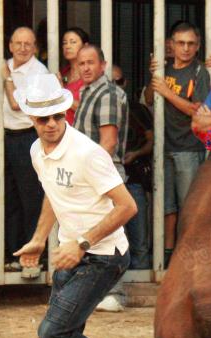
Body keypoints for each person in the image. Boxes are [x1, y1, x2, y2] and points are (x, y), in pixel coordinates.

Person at [12, 73, 141, 338]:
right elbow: (54, 196)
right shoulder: (36, 152)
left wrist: (81, 243)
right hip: (70, 250)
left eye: (58, 115)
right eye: (44, 118)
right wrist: (40, 238)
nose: (53, 123)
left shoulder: (88, 153)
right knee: (65, 332)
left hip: (103, 255)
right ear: (32, 119)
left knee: (53, 332)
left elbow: (128, 206)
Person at [145, 22, 211, 267]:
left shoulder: (199, 72)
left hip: (188, 147)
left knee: (188, 205)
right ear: (171, 45)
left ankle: (190, 257)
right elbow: (149, 98)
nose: (185, 48)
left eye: (191, 44)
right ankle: (168, 256)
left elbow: (197, 110)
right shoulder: (163, 70)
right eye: (181, 43)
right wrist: (155, 78)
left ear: (198, 46)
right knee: (166, 206)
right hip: (163, 146)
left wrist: (167, 91)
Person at [71, 44, 131, 313]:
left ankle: (116, 294)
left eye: (91, 63)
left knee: (111, 233)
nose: (85, 67)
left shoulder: (106, 93)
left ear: (103, 66)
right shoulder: (88, 92)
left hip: (102, 173)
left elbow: (108, 142)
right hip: (93, 172)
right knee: (98, 232)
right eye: (81, 63)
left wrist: (86, 172)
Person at [2, 27, 49, 279]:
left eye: (27, 44)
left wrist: (8, 78)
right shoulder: (4, 64)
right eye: (18, 43)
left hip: (26, 137)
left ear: (35, 47)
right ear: (10, 45)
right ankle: (13, 254)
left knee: (29, 199)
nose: (22, 48)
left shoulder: (38, 72)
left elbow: (16, 104)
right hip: (3, 139)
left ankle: (32, 259)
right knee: (9, 198)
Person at [117, 72, 153, 271]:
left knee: (139, 236)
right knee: (114, 240)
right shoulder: (102, 105)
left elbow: (152, 140)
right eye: (112, 82)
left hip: (134, 178)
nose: (116, 85)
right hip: (109, 181)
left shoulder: (137, 109)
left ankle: (142, 276)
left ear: (126, 82)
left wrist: (136, 153)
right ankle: (119, 280)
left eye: (119, 81)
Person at [60, 27, 89, 125]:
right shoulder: (63, 73)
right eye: (65, 43)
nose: (67, 46)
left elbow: (88, 111)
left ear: (85, 46)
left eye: (73, 42)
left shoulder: (90, 75)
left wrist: (61, 91)